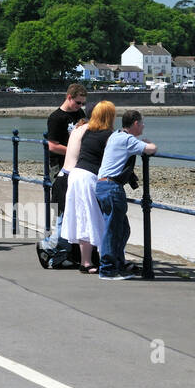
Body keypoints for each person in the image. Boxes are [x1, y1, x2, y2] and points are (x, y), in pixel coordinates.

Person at [95, 108, 156, 280]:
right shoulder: (127, 140)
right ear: (135, 123)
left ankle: (117, 264)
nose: (143, 126)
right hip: (112, 187)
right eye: (142, 123)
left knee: (122, 229)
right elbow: (151, 149)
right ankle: (107, 270)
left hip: (102, 185)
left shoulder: (115, 135)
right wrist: (148, 142)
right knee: (113, 230)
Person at [60, 100, 114, 273]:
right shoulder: (107, 134)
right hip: (88, 177)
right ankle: (103, 260)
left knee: (83, 218)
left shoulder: (86, 130)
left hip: (75, 175)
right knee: (94, 218)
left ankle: (86, 262)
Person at [46, 83, 88, 217]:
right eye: (78, 102)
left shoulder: (80, 113)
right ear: (69, 97)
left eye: (82, 103)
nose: (80, 106)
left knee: (77, 200)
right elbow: (52, 146)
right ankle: (57, 232)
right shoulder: (55, 118)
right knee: (61, 201)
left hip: (78, 164)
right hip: (59, 164)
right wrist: (73, 152)